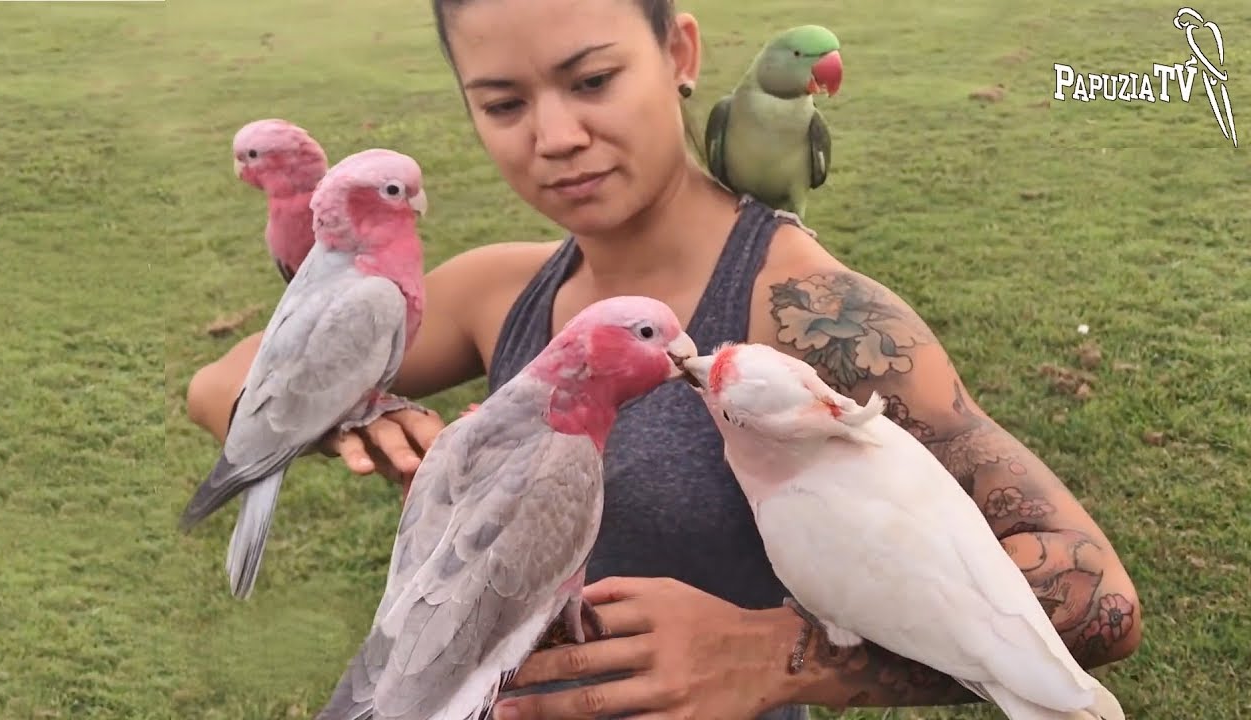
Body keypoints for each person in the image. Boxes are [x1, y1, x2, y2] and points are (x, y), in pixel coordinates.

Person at [185, 0, 1143, 717]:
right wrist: (364, 418)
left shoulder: (811, 318)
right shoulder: (498, 291)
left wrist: (775, 654)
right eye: (504, 101)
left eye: (592, 80)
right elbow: (223, 387)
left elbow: (1093, 593)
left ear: (679, 54)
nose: (555, 137)